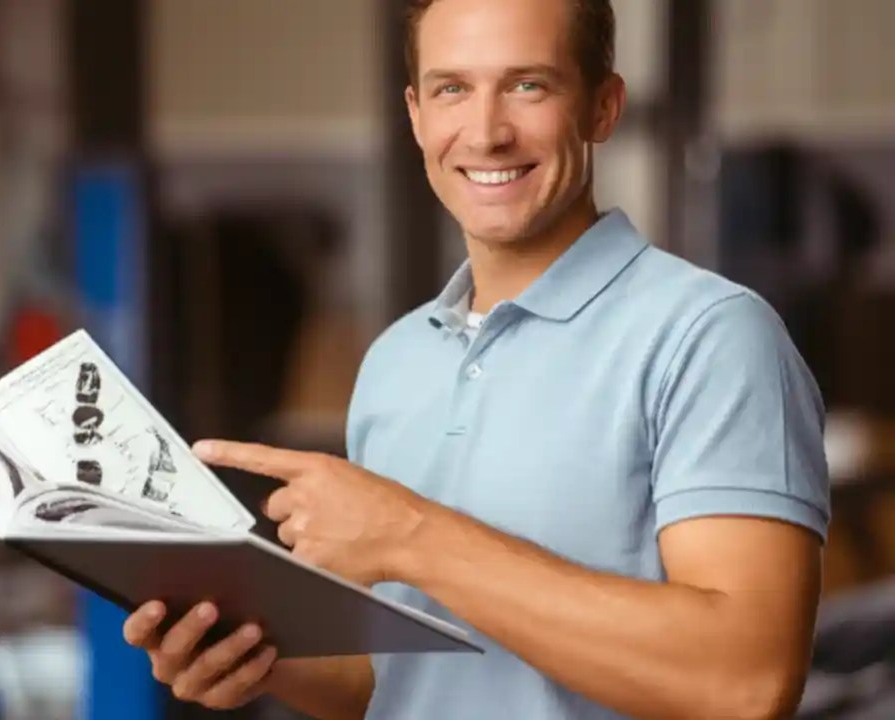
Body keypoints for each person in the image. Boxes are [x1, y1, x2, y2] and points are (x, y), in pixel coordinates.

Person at [122, 0, 830, 717]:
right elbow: (394, 680)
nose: (486, 133)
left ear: (603, 108)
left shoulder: (710, 337)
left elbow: (745, 681)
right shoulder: (397, 361)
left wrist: (411, 535)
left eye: (528, 85)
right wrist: (251, 652)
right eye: (452, 88)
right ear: (417, 115)